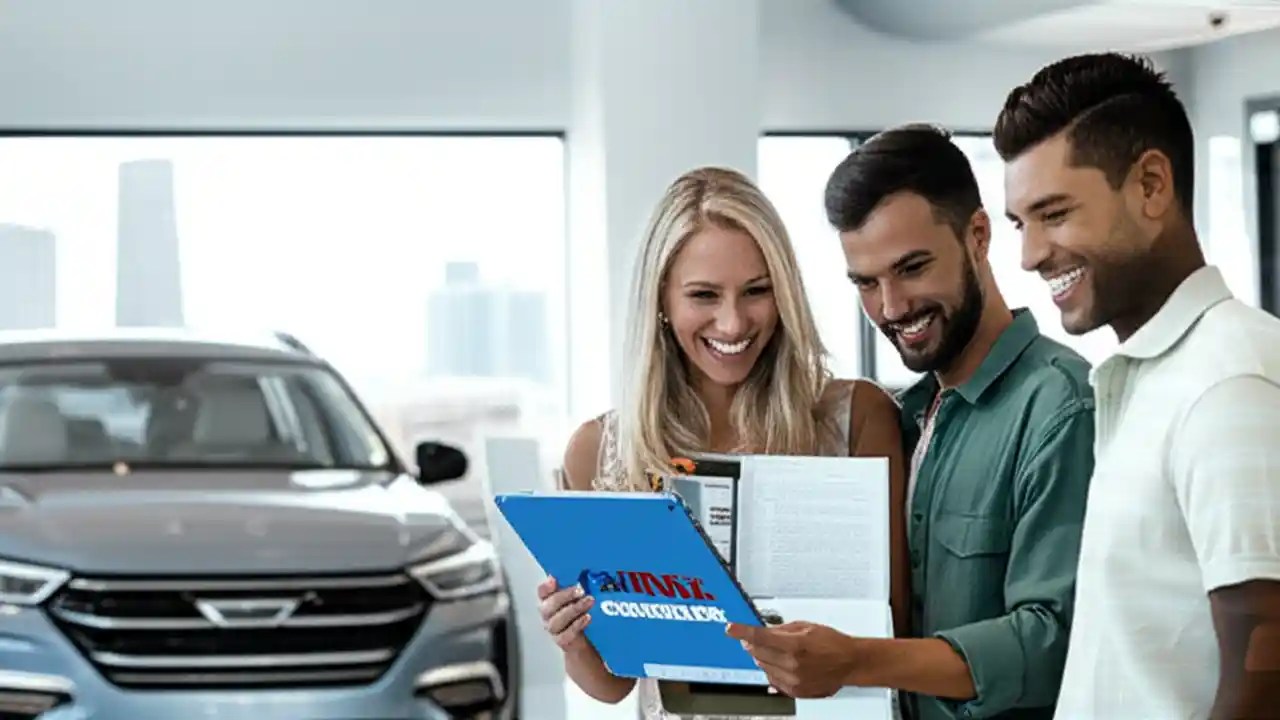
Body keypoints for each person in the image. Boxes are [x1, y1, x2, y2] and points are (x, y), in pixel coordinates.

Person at [727, 125, 1096, 720]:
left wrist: (858, 660)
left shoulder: (1060, 406)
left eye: (912, 268)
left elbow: (1055, 641)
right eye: (866, 283)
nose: (892, 307)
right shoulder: (901, 418)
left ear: (978, 236)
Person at [534, 166, 911, 719]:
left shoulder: (856, 418)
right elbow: (613, 686)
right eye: (704, 295)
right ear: (661, 300)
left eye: (757, 291)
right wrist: (571, 637)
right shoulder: (601, 449)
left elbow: (896, 633)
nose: (733, 323)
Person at [995, 52, 1280, 720]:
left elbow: (1266, 679)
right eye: (1020, 223)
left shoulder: (1229, 380)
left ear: (1151, 185)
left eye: (1054, 213)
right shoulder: (1151, 375)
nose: (1029, 255)